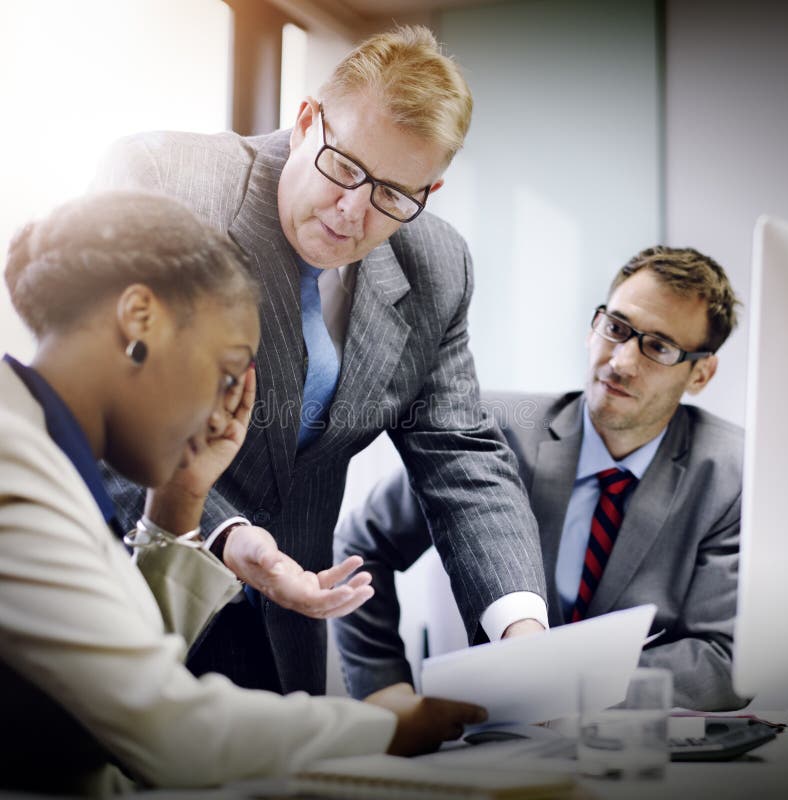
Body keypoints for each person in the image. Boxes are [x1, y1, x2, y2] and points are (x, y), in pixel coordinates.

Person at [92, 25, 548, 696]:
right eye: (346, 167)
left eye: (394, 194)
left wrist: (521, 630)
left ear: (431, 191)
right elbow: (104, 403)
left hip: (284, 629)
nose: (353, 212)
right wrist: (228, 534)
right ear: (307, 121)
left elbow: (460, 452)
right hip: (125, 592)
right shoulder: (167, 183)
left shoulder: (437, 266)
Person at [0, 191, 486, 796]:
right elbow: (167, 730)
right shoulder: (11, 459)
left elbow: (119, 677)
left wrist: (180, 499)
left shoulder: (40, 449)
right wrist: (381, 725)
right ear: (139, 320)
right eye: (228, 374)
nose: (222, 414)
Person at [334, 246, 747, 712]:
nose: (622, 362)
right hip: (481, 735)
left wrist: (569, 687)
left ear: (701, 373)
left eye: (659, 347)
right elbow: (361, 547)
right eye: (616, 328)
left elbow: (722, 659)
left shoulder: (730, 474)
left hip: (635, 744)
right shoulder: (490, 432)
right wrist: (384, 688)